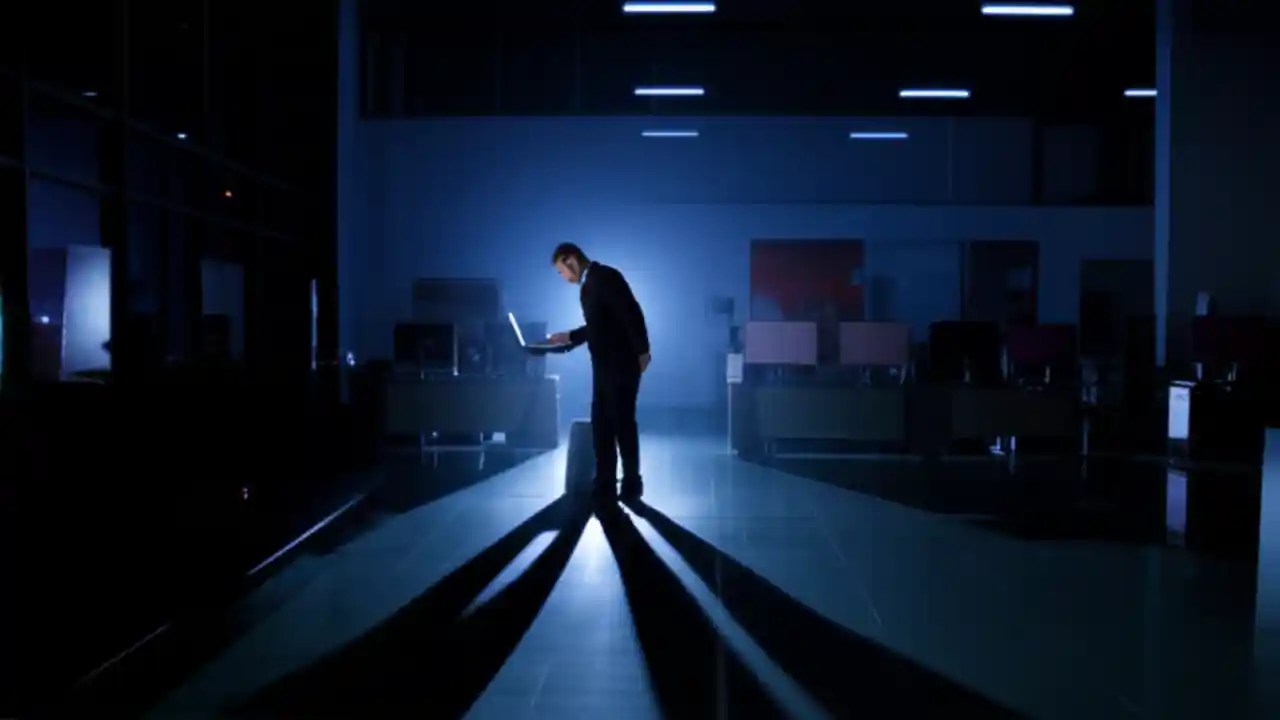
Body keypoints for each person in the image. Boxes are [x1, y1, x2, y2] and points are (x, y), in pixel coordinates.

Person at [547, 243, 651, 501]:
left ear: (569, 260)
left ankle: (627, 484)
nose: (564, 278)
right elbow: (599, 326)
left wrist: (642, 351)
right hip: (606, 366)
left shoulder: (604, 277)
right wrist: (569, 337)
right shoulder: (593, 282)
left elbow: (632, 312)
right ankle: (608, 484)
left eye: (561, 271)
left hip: (620, 365)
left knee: (621, 424)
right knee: (604, 425)